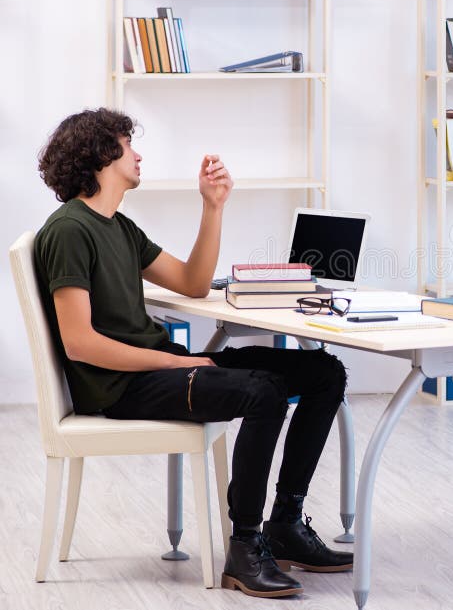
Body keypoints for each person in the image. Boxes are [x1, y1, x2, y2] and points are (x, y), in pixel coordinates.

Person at [34, 107, 353, 597]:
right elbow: (81, 343)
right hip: (122, 388)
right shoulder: (69, 231)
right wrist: (180, 361)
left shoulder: (118, 226)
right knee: (263, 392)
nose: (137, 154)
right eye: (127, 144)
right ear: (101, 154)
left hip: (155, 369)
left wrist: (213, 207)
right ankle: (246, 547)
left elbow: (193, 282)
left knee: (324, 372)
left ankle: (286, 522)